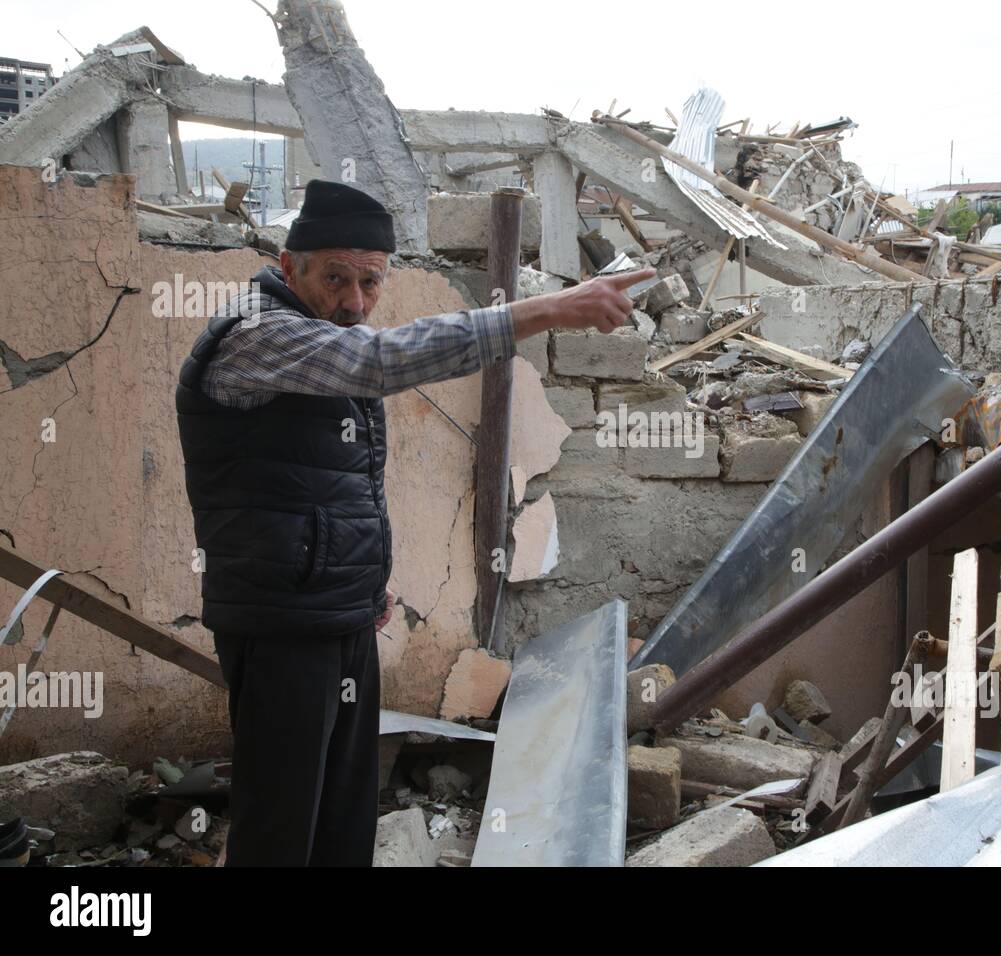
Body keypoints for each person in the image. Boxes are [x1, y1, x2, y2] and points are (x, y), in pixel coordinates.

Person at [175, 179, 652, 865]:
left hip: (338, 618)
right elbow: (379, 362)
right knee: (279, 826)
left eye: (370, 283)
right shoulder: (258, 333)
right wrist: (550, 309)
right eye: (335, 278)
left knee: (343, 819)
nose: (354, 302)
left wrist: (367, 588)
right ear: (289, 267)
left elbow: (343, 488)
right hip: (279, 625)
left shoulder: (325, 336)